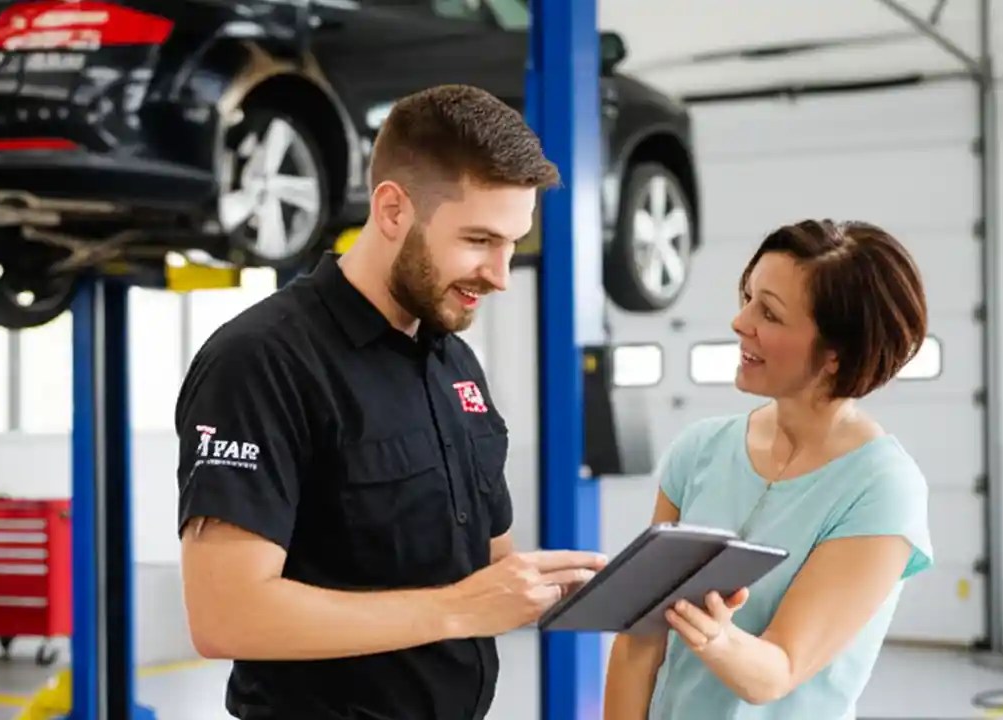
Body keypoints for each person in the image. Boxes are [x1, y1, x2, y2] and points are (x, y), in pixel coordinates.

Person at [174, 84, 607, 720]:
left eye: (513, 243)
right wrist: (458, 609)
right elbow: (225, 616)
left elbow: (490, 569)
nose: (500, 273)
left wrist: (622, 595)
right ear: (393, 209)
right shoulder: (263, 361)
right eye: (480, 240)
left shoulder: (453, 360)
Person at [603, 219, 935, 720]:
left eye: (770, 314)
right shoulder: (699, 450)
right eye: (748, 297)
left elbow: (777, 671)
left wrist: (713, 635)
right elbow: (638, 643)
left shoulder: (882, 489)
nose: (740, 322)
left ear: (834, 355)